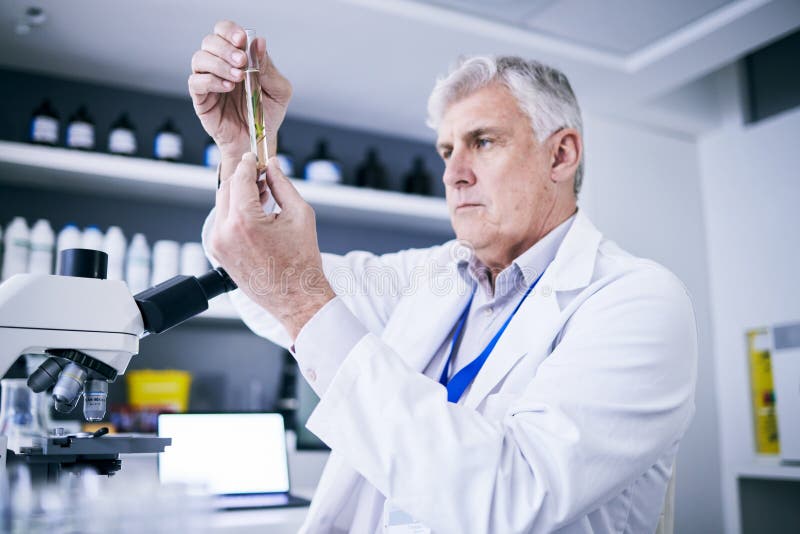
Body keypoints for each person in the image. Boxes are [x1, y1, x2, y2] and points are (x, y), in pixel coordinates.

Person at [190, 20, 697, 534]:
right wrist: (241, 150)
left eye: (483, 141)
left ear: (560, 155)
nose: (454, 173)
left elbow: (511, 500)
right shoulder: (431, 277)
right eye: (448, 151)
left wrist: (305, 301)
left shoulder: (637, 302)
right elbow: (259, 288)